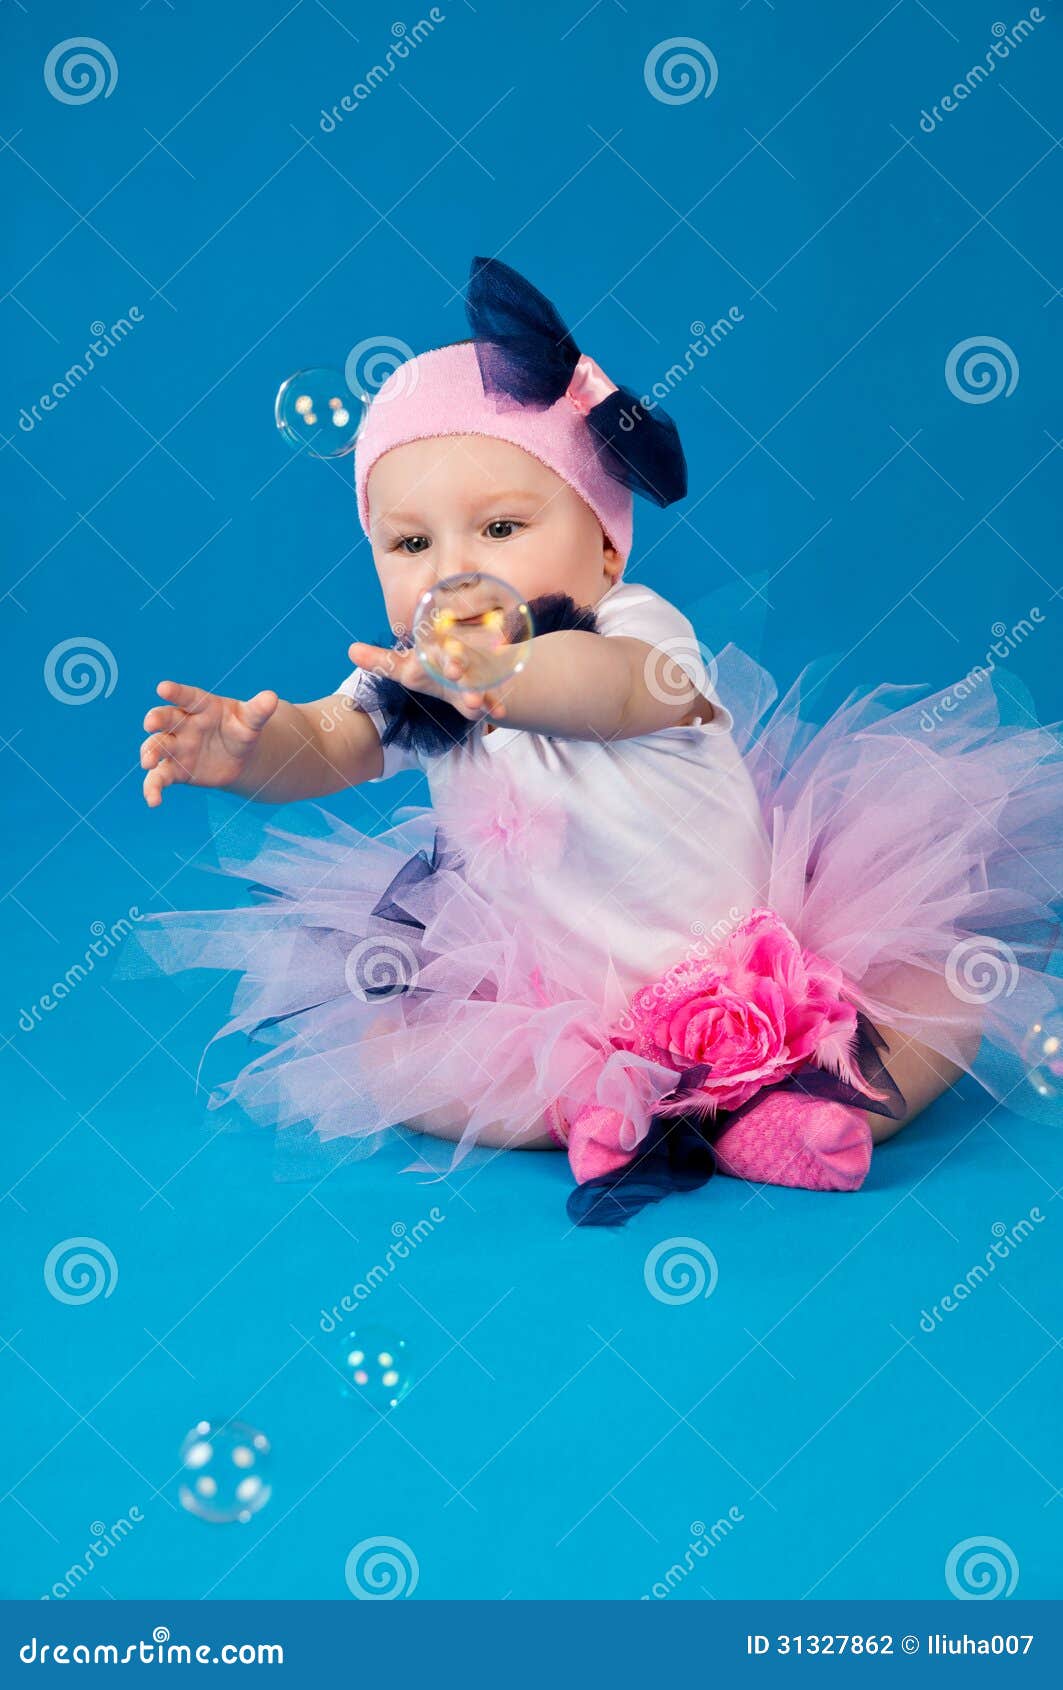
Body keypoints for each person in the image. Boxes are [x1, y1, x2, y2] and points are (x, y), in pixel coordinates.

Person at [134, 256, 1063, 1227]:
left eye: (500, 527)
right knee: (391, 1057)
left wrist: (501, 679)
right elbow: (334, 741)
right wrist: (251, 753)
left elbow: (606, 692)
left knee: (940, 997)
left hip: (750, 966)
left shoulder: (633, 632)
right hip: (555, 1004)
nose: (453, 569)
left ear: (606, 548)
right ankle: (592, 1100)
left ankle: (794, 1110)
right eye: (410, 544)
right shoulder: (414, 673)